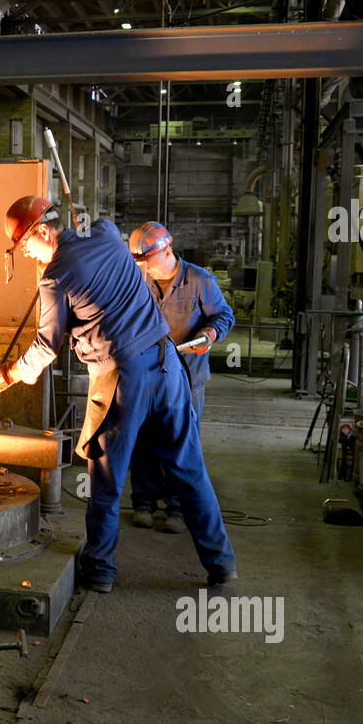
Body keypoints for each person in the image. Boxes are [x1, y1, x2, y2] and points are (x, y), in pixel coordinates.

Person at [0, 196, 237, 591]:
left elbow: (46, 348)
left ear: (42, 232)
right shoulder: (105, 233)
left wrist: (6, 376)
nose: (30, 256)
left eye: (27, 247)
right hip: (168, 364)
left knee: (105, 477)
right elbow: (96, 228)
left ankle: (101, 571)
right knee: (190, 470)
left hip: (122, 375)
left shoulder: (54, 278)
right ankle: (221, 564)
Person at [127, 222, 235, 534]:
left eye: (148, 260)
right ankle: (144, 503)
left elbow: (224, 315)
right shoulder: (140, 279)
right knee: (144, 438)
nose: (145, 267)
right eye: (140, 263)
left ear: (167, 251)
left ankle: (176, 507)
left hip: (188, 375)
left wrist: (208, 334)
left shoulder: (200, 280)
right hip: (146, 373)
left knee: (180, 439)